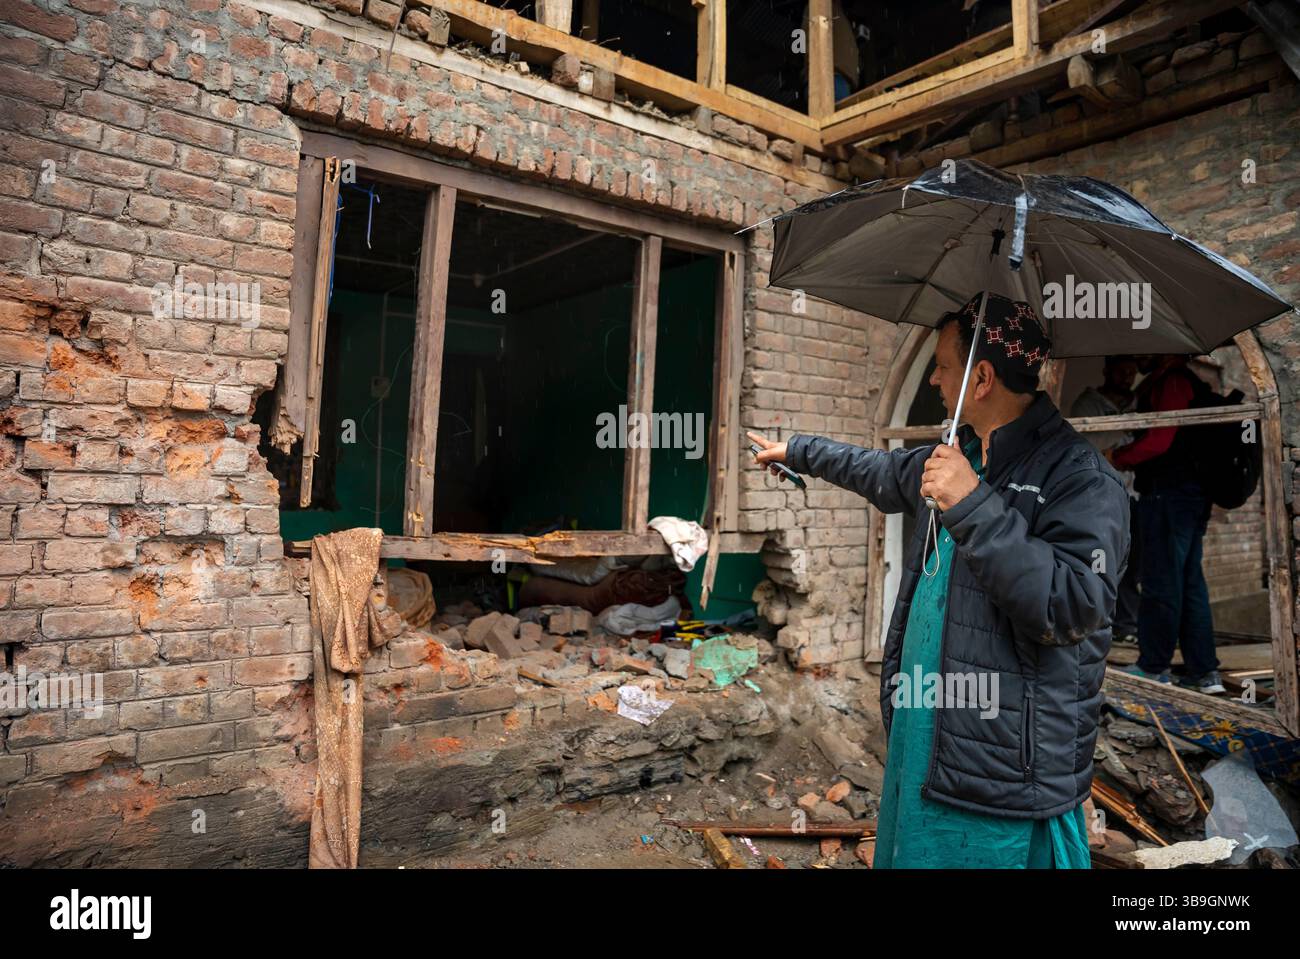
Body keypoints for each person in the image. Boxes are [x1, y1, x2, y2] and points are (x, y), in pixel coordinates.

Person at [749, 291, 1129, 869]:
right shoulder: (967, 452)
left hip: (1002, 758)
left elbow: (1072, 606)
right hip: (936, 726)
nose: (933, 381)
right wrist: (798, 451)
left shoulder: (1080, 478)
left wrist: (973, 503)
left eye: (942, 366)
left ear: (981, 379)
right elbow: (880, 471)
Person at [1111, 355, 1224, 694]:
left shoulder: (1172, 382)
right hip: (1187, 498)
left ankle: (1153, 666)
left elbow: (1160, 440)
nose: (1138, 356)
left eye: (1143, 352)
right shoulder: (1182, 381)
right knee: (1190, 583)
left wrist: (1117, 457)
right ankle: (1203, 673)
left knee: (1162, 582)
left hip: (1168, 497)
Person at [1070, 357, 1141, 645]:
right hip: (1098, 496)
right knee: (1100, 560)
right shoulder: (1088, 405)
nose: (1126, 377)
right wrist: (1123, 445)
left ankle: (1126, 626)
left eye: (1130, 371)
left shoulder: (1137, 403)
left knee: (1130, 564)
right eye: (1121, 370)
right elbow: (1090, 445)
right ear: (1107, 371)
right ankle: (1099, 623)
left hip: (1133, 494)